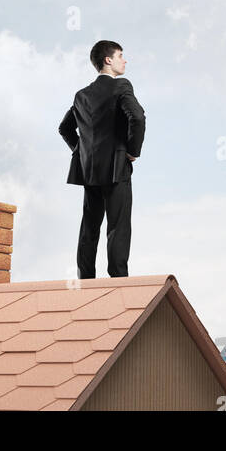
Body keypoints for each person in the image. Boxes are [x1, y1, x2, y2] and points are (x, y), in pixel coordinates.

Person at [58, 40, 146, 278]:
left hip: (90, 170)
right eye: (120, 55)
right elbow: (137, 117)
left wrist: (82, 151)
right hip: (117, 167)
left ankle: (85, 279)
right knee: (118, 226)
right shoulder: (121, 86)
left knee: (89, 226)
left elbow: (64, 128)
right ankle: (118, 281)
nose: (124, 60)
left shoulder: (82, 95)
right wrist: (132, 151)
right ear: (108, 60)